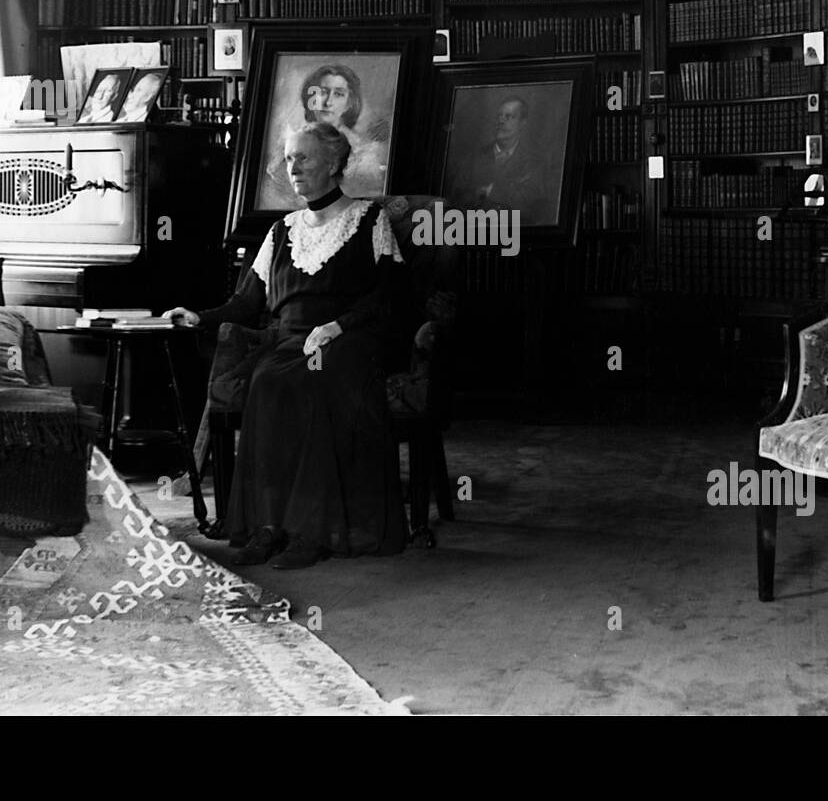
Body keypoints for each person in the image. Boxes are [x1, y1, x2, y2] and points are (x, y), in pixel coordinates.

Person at [165, 121, 407, 569]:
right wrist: (201, 316)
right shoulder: (281, 231)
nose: (293, 168)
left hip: (349, 339)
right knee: (268, 383)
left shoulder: (369, 220)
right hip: (289, 341)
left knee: (315, 382)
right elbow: (246, 301)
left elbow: (388, 297)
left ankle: (310, 531)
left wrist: (338, 325)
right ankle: (269, 525)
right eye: (290, 158)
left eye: (305, 158)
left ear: (334, 164)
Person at [261, 63, 389, 206]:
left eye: (338, 94)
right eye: (322, 92)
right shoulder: (287, 150)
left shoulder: (364, 154)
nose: (328, 102)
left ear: (349, 103)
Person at [451, 94, 555, 222]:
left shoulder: (535, 164)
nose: (501, 120)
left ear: (522, 123)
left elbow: (533, 207)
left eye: (509, 116)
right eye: (499, 116)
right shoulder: (474, 158)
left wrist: (490, 191)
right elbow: (456, 198)